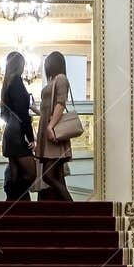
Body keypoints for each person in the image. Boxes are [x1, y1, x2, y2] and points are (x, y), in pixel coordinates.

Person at [0, 52, 38, 200]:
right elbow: (23, 114)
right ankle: (14, 199)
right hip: (17, 135)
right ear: (20, 65)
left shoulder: (7, 83)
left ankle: (13, 203)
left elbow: (4, 114)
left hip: (10, 133)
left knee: (16, 174)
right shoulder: (16, 82)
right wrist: (31, 138)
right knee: (31, 173)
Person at [36, 50, 74, 201]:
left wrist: (50, 127)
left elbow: (60, 103)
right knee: (57, 177)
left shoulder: (61, 79)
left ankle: (76, 209)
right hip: (48, 132)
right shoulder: (53, 81)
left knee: (48, 175)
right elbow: (47, 109)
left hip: (54, 133)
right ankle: (69, 211)